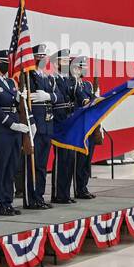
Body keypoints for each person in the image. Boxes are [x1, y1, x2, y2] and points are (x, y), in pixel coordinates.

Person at [0, 53, 32, 216]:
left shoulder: (10, 82)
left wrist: (20, 98)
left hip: (15, 130)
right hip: (1, 129)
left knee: (12, 167)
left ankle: (8, 201)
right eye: (3, 62)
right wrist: (12, 124)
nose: (6, 64)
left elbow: (16, 104)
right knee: (1, 167)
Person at [23, 45, 55, 210]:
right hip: (36, 125)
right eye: (39, 56)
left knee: (42, 165)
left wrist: (50, 96)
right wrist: (31, 121)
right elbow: (23, 102)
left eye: (45, 56)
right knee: (32, 165)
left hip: (47, 126)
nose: (43, 59)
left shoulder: (48, 77)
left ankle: (40, 196)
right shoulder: (27, 76)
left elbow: (60, 96)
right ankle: (31, 199)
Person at [70, 55, 98, 200]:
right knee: (79, 160)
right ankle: (78, 189)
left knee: (87, 159)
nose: (85, 69)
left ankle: (84, 186)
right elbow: (83, 100)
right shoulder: (73, 84)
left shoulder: (88, 85)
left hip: (90, 126)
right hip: (79, 127)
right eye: (83, 66)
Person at [50, 50, 77, 204]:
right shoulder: (53, 79)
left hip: (70, 121)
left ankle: (65, 193)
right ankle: (57, 194)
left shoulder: (70, 80)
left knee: (69, 159)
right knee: (61, 159)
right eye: (64, 61)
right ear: (56, 63)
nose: (67, 64)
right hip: (59, 122)